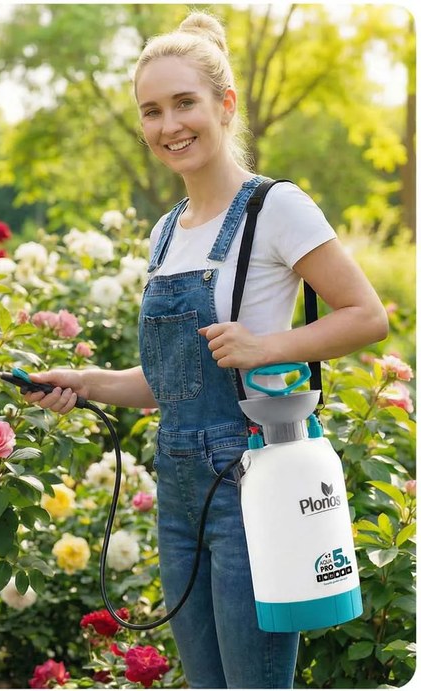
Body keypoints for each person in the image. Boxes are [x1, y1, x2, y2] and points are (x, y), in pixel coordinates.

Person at [23, 11, 389, 690]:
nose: (169, 125)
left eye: (184, 103)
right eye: (152, 111)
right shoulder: (166, 232)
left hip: (255, 480)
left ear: (225, 104)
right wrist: (84, 380)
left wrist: (265, 345)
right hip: (179, 488)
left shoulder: (275, 208)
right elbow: (172, 382)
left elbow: (367, 316)